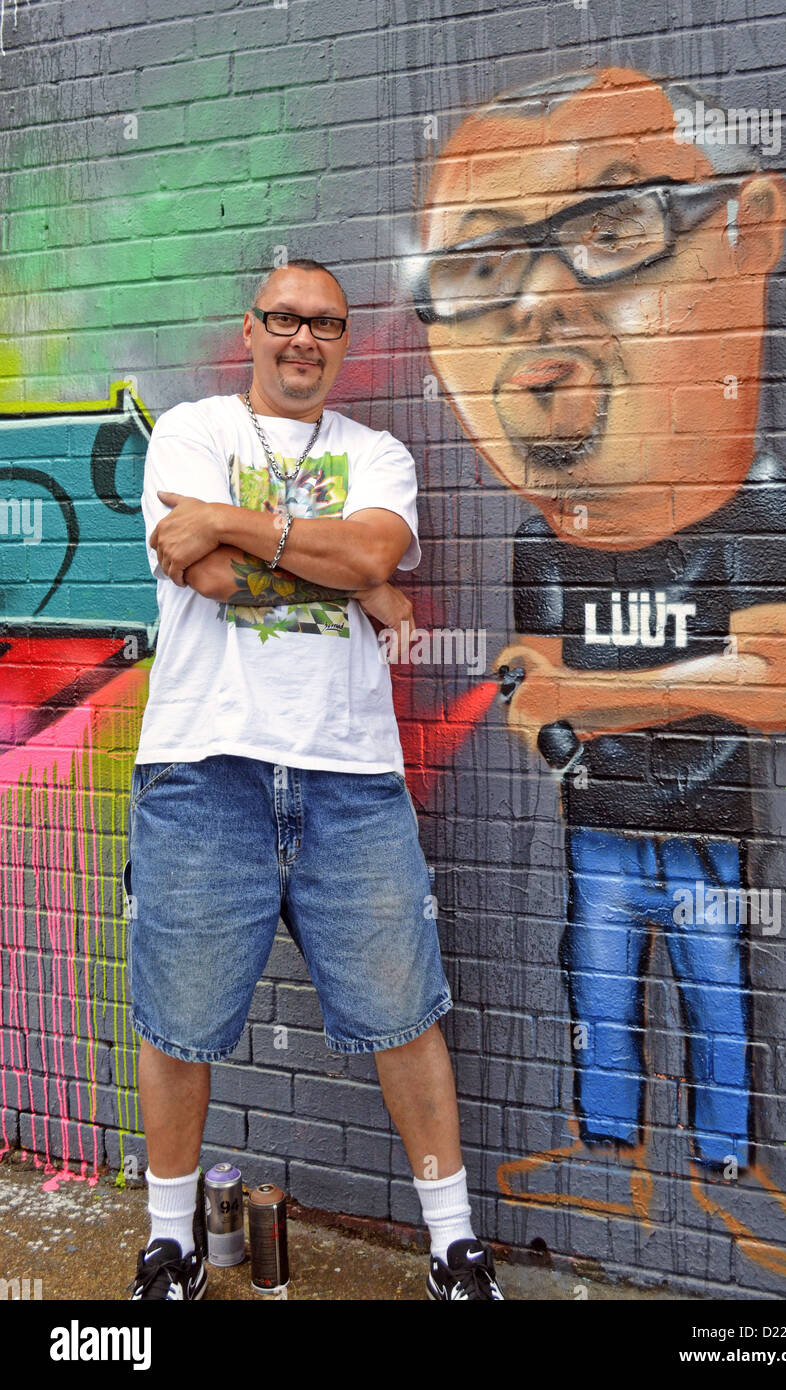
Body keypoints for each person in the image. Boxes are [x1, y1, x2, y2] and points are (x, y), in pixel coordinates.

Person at [412, 69, 786, 1281]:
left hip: (705, 828)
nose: (542, 312)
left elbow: (775, 684)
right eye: (485, 270)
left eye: (610, 227)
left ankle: (728, 1167)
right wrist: (551, 707)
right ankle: (608, 1148)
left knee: (714, 995)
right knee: (600, 990)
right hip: (598, 825)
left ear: (749, 233)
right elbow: (528, 683)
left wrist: (587, 700)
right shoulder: (545, 531)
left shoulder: (755, 499)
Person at [125, 258, 504, 1301]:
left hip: (351, 775)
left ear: (340, 340)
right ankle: (171, 1242)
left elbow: (372, 546)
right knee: (179, 1017)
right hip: (206, 769)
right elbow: (201, 574)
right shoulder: (192, 431)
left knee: (405, 1012)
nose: (305, 338)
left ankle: (453, 1245)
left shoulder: (377, 452)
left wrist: (267, 533)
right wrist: (349, 578)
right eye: (285, 318)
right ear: (250, 327)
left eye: (325, 323)